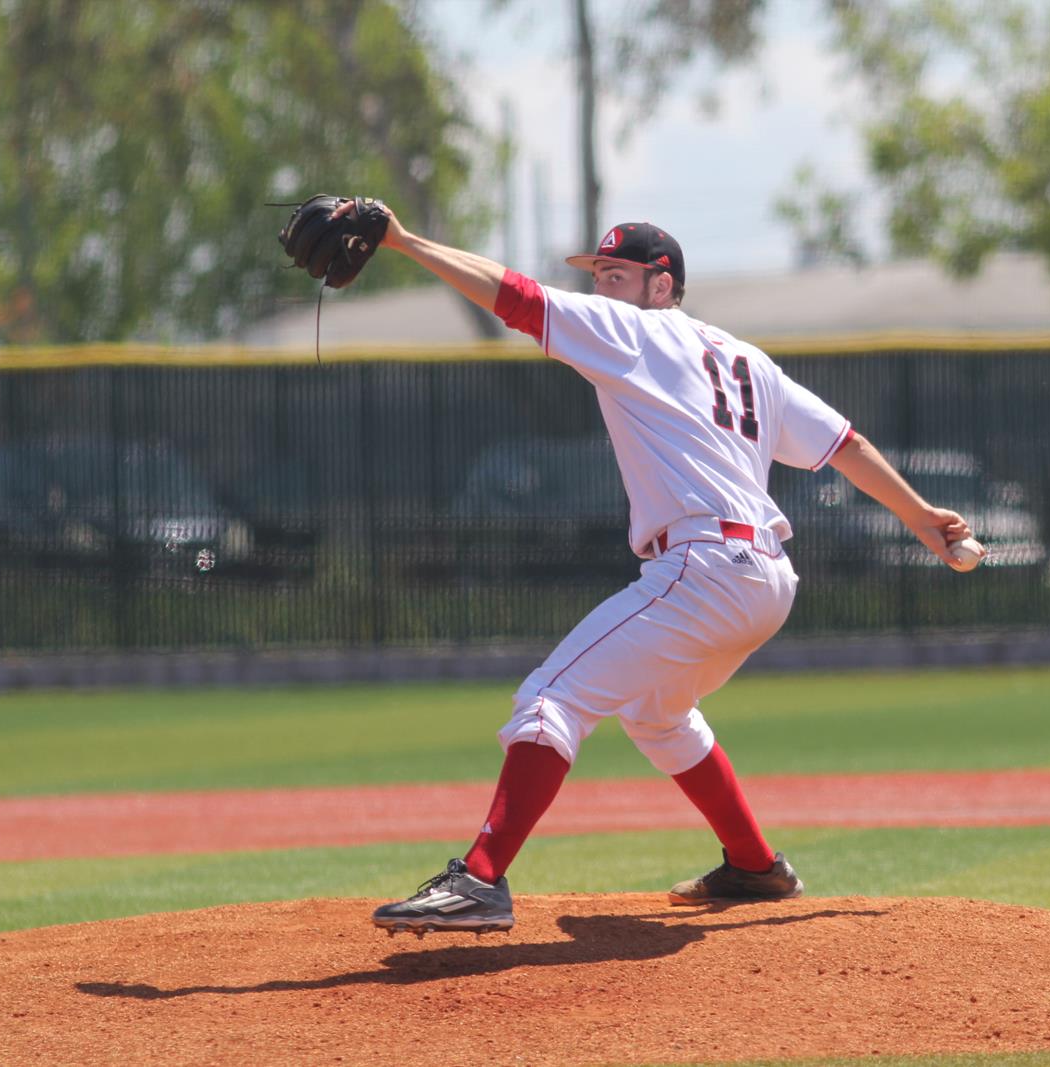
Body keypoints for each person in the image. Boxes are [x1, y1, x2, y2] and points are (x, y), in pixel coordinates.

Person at [345, 202, 977, 935]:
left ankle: (481, 878)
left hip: (704, 566)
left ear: (661, 285)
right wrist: (921, 515)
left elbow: (515, 297)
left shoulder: (635, 331)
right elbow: (843, 443)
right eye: (600, 275)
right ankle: (753, 863)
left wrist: (402, 239)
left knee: (550, 697)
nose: (605, 288)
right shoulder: (747, 360)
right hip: (765, 578)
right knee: (657, 712)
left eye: (619, 274)